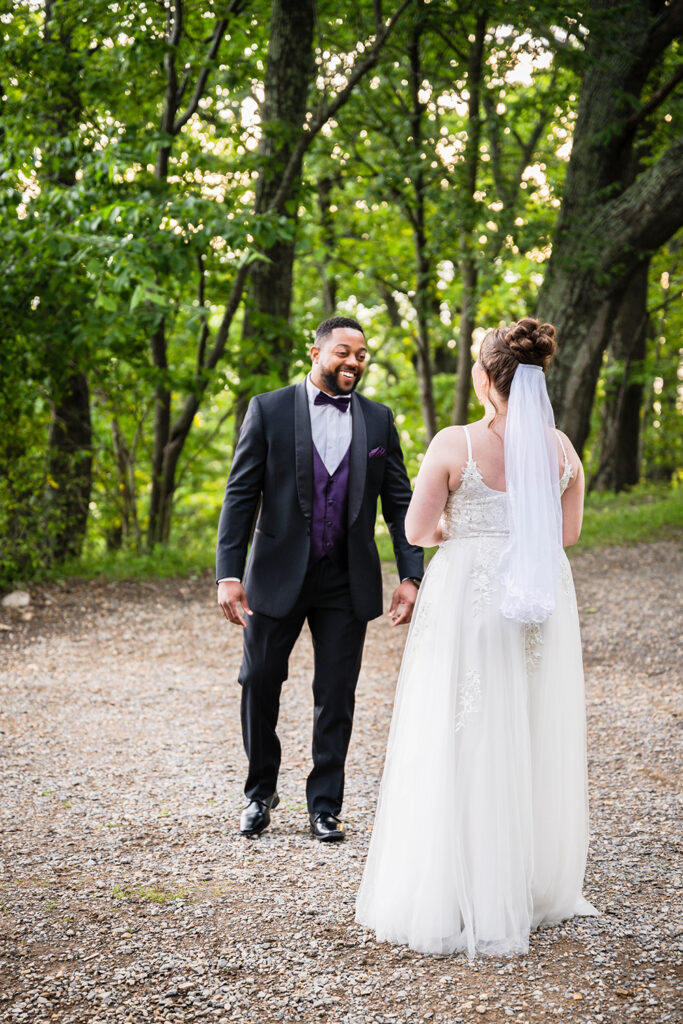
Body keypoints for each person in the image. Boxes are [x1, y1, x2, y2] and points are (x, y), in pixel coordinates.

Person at [355, 317, 598, 956]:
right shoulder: (562, 449)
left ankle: (454, 885)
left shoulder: (454, 443)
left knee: (460, 730)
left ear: (485, 378)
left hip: (469, 593)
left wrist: (464, 535)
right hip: (541, 595)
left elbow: (417, 529)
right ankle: (526, 883)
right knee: (528, 725)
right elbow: (567, 536)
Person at [216, 315, 424, 842]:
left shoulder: (378, 420)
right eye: (343, 352)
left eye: (361, 354)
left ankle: (325, 805)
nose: (353, 361)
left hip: (345, 579)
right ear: (316, 353)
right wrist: (228, 574)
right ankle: (259, 792)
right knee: (258, 680)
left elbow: (400, 503)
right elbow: (240, 495)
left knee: (337, 693)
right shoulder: (268, 409)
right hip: (275, 573)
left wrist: (411, 573)